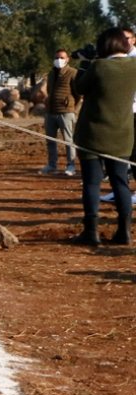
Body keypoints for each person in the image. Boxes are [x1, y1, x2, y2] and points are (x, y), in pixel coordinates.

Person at [71, 27, 136, 246]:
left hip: (92, 134)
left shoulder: (99, 66)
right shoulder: (134, 66)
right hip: (123, 134)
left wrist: (85, 62)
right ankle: (124, 230)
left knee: (92, 183)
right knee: (121, 182)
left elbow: (79, 88)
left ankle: (92, 231)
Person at [40, 49, 79, 177]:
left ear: (67, 59)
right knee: (50, 140)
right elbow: (50, 90)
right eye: (57, 57)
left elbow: (78, 93)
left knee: (68, 140)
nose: (59, 60)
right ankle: (52, 164)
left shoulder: (73, 73)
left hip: (66, 111)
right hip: (51, 111)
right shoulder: (51, 74)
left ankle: (71, 165)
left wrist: (72, 106)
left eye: (62, 57)